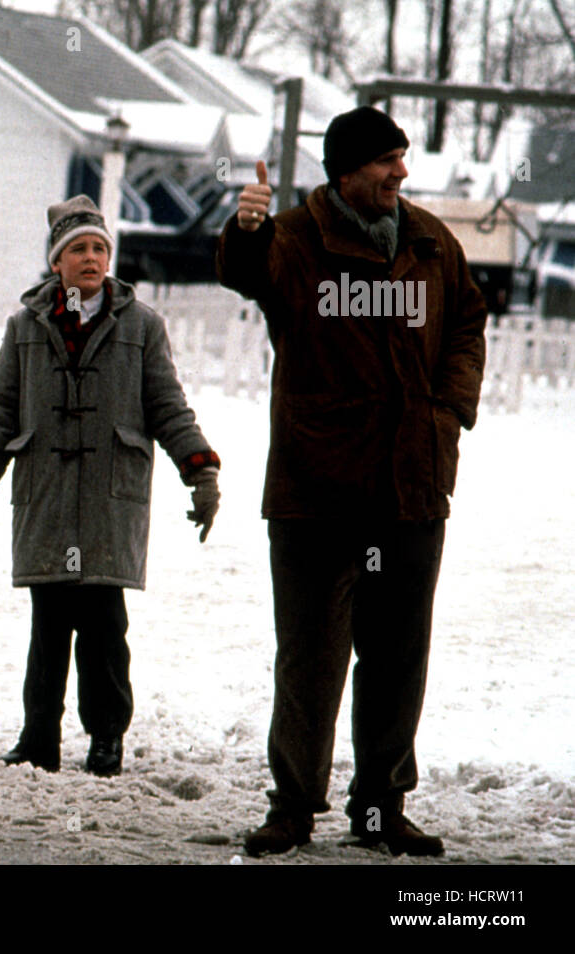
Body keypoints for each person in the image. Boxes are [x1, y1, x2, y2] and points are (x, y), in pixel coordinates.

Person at [216, 106, 488, 856]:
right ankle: (294, 807)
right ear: (344, 173)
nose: (400, 173)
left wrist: (450, 408)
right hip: (317, 487)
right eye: (384, 162)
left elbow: (469, 320)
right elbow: (248, 276)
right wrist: (246, 228)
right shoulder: (296, 241)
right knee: (310, 657)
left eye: (402, 159)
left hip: (410, 484)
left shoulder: (432, 241)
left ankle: (380, 809)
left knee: (399, 656)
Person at [0, 195, 220, 777]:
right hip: (48, 495)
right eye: (79, 249)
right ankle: (38, 738)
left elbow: (167, 405)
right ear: (57, 263)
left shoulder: (142, 325)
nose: (92, 258)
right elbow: (0, 410)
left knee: (104, 629)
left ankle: (106, 740)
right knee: (48, 628)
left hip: (108, 500)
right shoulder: (25, 327)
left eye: (100, 248)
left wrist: (200, 470)